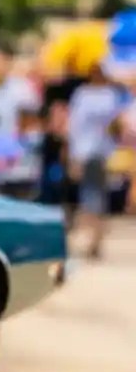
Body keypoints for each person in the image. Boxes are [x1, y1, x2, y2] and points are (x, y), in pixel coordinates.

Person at [66, 64, 124, 259]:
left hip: (87, 151)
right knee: (97, 195)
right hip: (102, 151)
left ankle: (92, 238)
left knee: (89, 195)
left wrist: (72, 155)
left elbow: (74, 126)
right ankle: (95, 239)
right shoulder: (110, 95)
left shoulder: (83, 95)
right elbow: (116, 126)